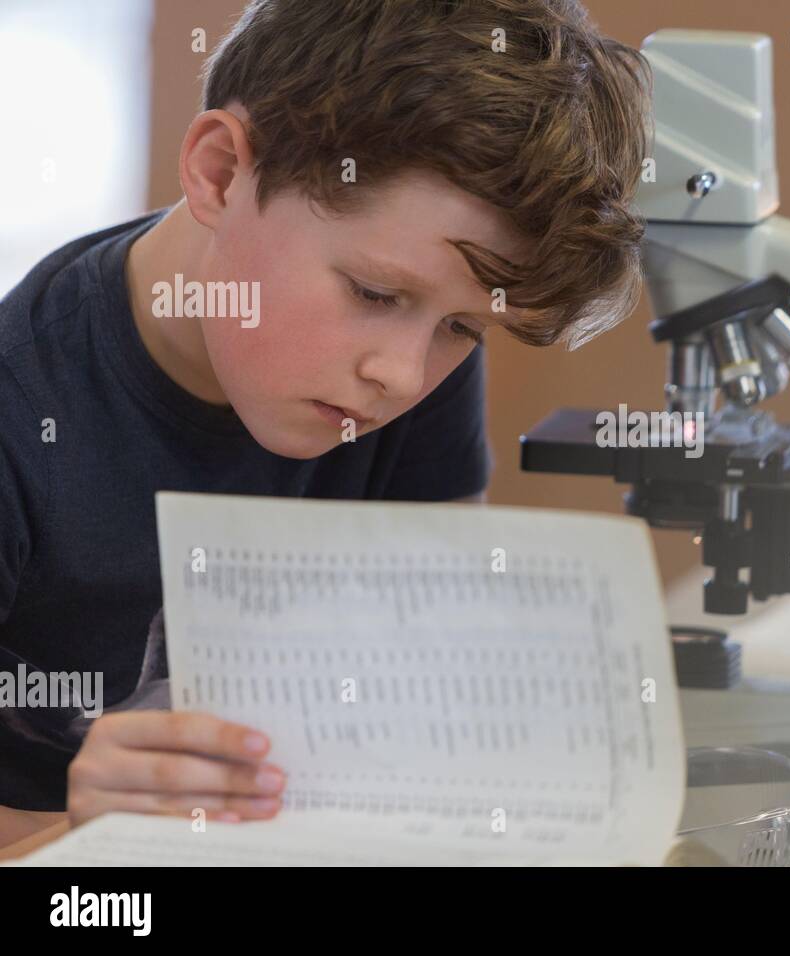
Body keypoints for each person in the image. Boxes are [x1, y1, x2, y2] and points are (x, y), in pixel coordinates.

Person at [0, 0, 650, 855]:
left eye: (462, 329)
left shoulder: (393, 358)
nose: (404, 376)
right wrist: (75, 834)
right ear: (222, 173)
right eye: (374, 295)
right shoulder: (23, 417)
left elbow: (420, 690)